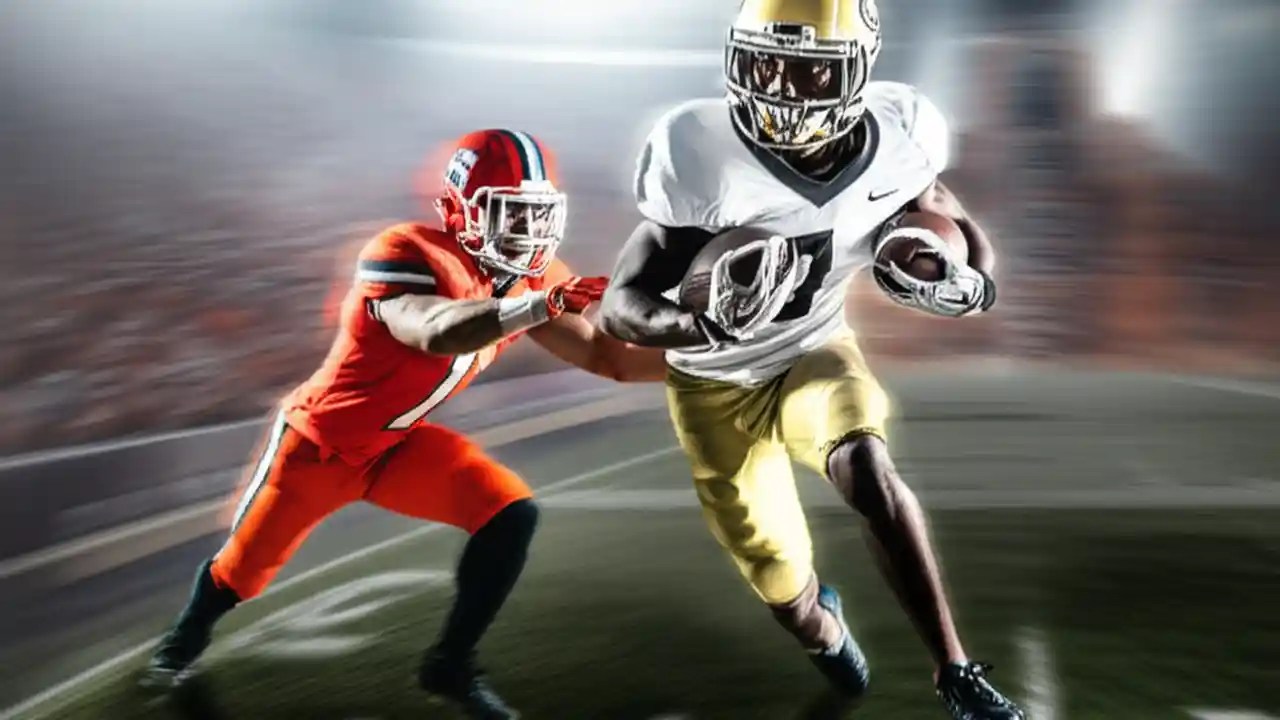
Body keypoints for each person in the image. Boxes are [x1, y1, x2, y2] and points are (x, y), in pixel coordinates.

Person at [141, 128, 666, 719]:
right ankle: (179, 645)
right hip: (319, 446)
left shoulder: (529, 280)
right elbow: (436, 329)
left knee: (508, 513)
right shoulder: (408, 250)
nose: (529, 234)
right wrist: (537, 305)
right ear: (457, 211)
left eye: (538, 216)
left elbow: (609, 358)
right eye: (510, 215)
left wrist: (718, 358)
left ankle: (450, 666)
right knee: (242, 572)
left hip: (395, 446)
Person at [598, 1, 1023, 717]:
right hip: (712, 387)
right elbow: (619, 304)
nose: (782, 91)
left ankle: (955, 673)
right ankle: (822, 627)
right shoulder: (700, 151)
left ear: (858, 75)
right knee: (783, 587)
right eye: (766, 65)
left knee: (867, 466)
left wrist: (972, 280)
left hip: (813, 351)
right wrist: (698, 324)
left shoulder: (900, 140)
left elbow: (951, 219)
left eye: (807, 73)